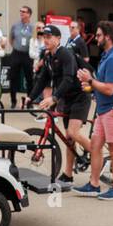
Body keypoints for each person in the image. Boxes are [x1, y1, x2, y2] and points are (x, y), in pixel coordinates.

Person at [73, 20, 113, 201]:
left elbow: (110, 89)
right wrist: (90, 87)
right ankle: (94, 184)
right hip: (105, 109)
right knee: (96, 146)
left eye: (98, 35)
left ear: (108, 36)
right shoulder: (107, 55)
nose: (95, 38)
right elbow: (102, 85)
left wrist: (90, 81)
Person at [30, 24, 90, 186]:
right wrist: (30, 98)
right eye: (44, 37)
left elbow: (69, 78)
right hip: (67, 99)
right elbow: (42, 80)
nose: (46, 40)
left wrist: (54, 98)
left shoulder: (65, 54)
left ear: (58, 39)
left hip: (80, 97)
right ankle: (68, 174)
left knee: (72, 132)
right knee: (69, 138)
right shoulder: (49, 56)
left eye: (49, 37)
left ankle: (96, 154)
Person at [5, 5, 35, 109]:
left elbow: (36, 40)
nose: (21, 13)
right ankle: (13, 101)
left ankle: (29, 102)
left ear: (29, 14)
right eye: (20, 11)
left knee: (29, 78)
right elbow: (11, 38)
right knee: (13, 77)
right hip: (16, 53)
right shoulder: (15, 25)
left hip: (28, 55)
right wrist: (16, 47)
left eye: (24, 11)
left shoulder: (33, 27)